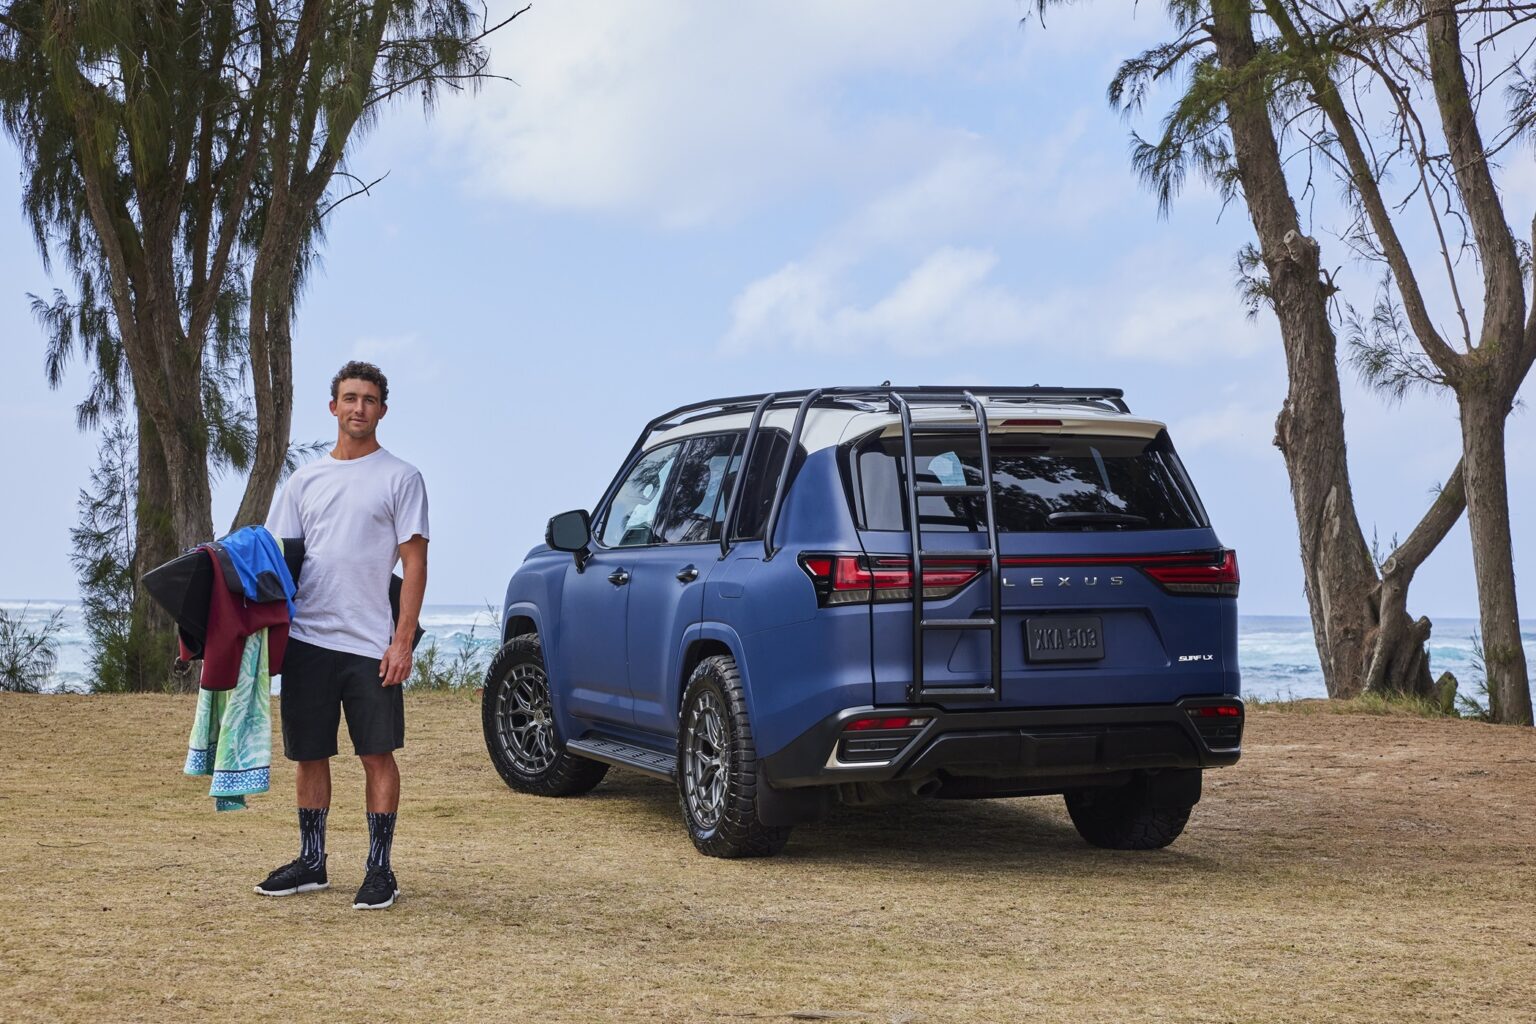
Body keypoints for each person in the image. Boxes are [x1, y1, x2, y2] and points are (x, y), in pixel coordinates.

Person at [254, 360, 428, 910]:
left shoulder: (401, 477)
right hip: (308, 640)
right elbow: (278, 565)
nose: (359, 408)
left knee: (376, 754)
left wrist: (401, 642)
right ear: (333, 407)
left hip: (371, 643)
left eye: (369, 399)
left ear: (382, 409)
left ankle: (380, 870)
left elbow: (415, 564)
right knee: (310, 754)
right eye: (349, 398)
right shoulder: (303, 481)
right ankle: (312, 862)